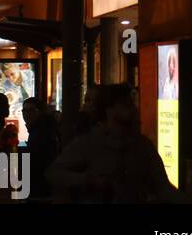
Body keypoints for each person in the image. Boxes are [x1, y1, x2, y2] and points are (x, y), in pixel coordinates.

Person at [47, 84, 178, 203]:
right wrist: (87, 180)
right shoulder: (89, 143)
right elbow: (53, 173)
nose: (133, 109)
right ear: (109, 110)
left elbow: (162, 187)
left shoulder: (142, 145)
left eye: (132, 104)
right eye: (126, 105)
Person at [22, 97, 59, 201]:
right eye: (24, 110)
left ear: (40, 112)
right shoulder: (38, 129)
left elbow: (37, 163)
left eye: (32, 110)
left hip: (39, 188)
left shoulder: (41, 132)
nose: (27, 114)